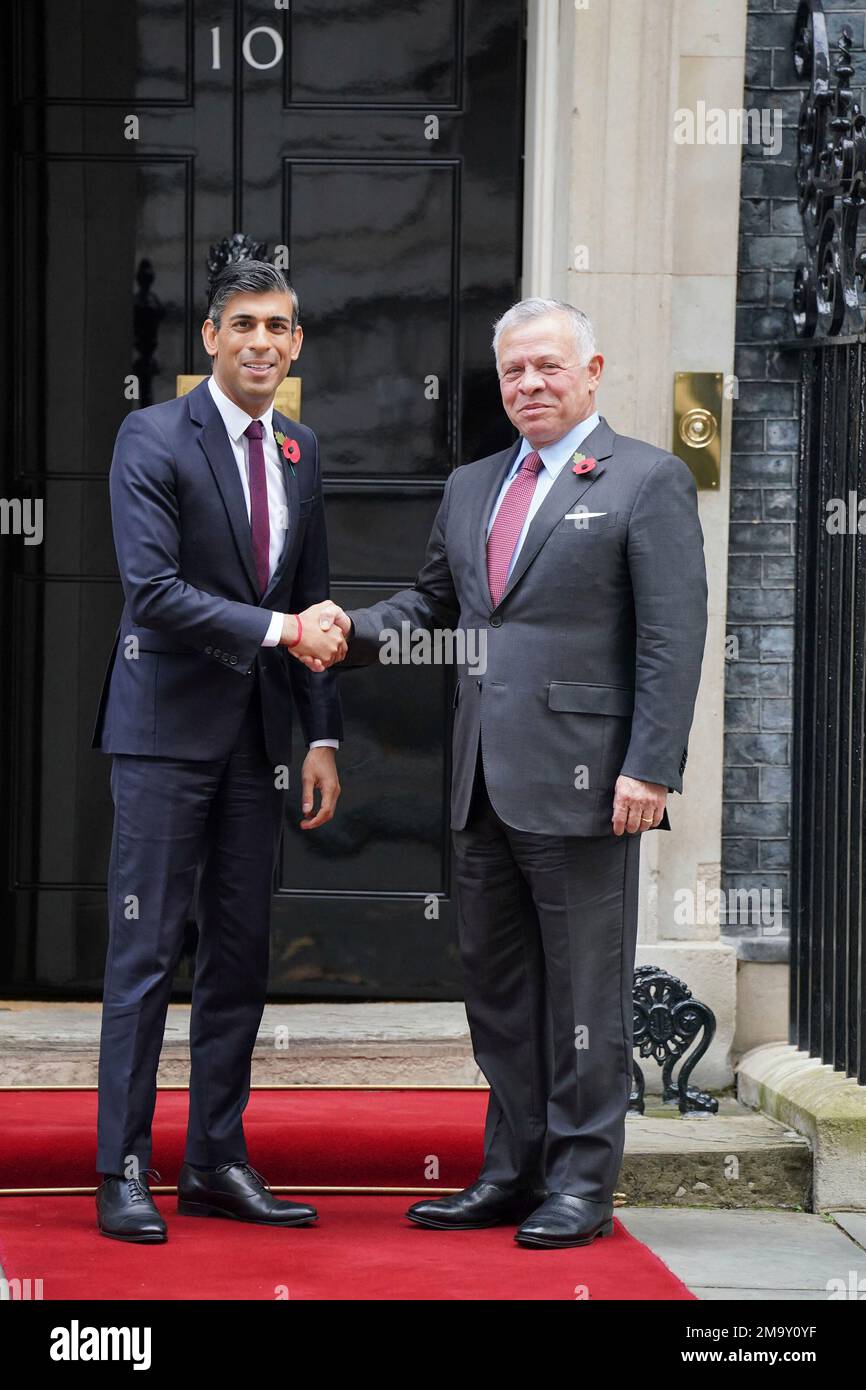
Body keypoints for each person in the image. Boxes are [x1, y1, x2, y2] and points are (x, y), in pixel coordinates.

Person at [331, 298, 708, 1248]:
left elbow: (673, 636)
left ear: (592, 370)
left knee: (585, 991)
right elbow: (434, 603)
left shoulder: (647, 481)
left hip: (590, 783)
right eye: (513, 372)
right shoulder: (471, 485)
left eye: (547, 367)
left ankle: (581, 1183)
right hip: (480, 780)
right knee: (498, 990)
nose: (529, 385)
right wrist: (351, 633)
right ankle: (510, 1171)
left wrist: (650, 766)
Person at [91, 261, 344, 1242]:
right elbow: (151, 589)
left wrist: (319, 728)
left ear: (294, 344)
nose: (260, 342)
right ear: (208, 337)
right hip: (161, 734)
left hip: (256, 744)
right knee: (146, 952)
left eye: (277, 326)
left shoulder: (298, 447)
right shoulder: (150, 435)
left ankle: (214, 1160)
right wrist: (282, 633)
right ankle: (121, 1169)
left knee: (238, 956)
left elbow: (313, 593)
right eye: (241, 324)